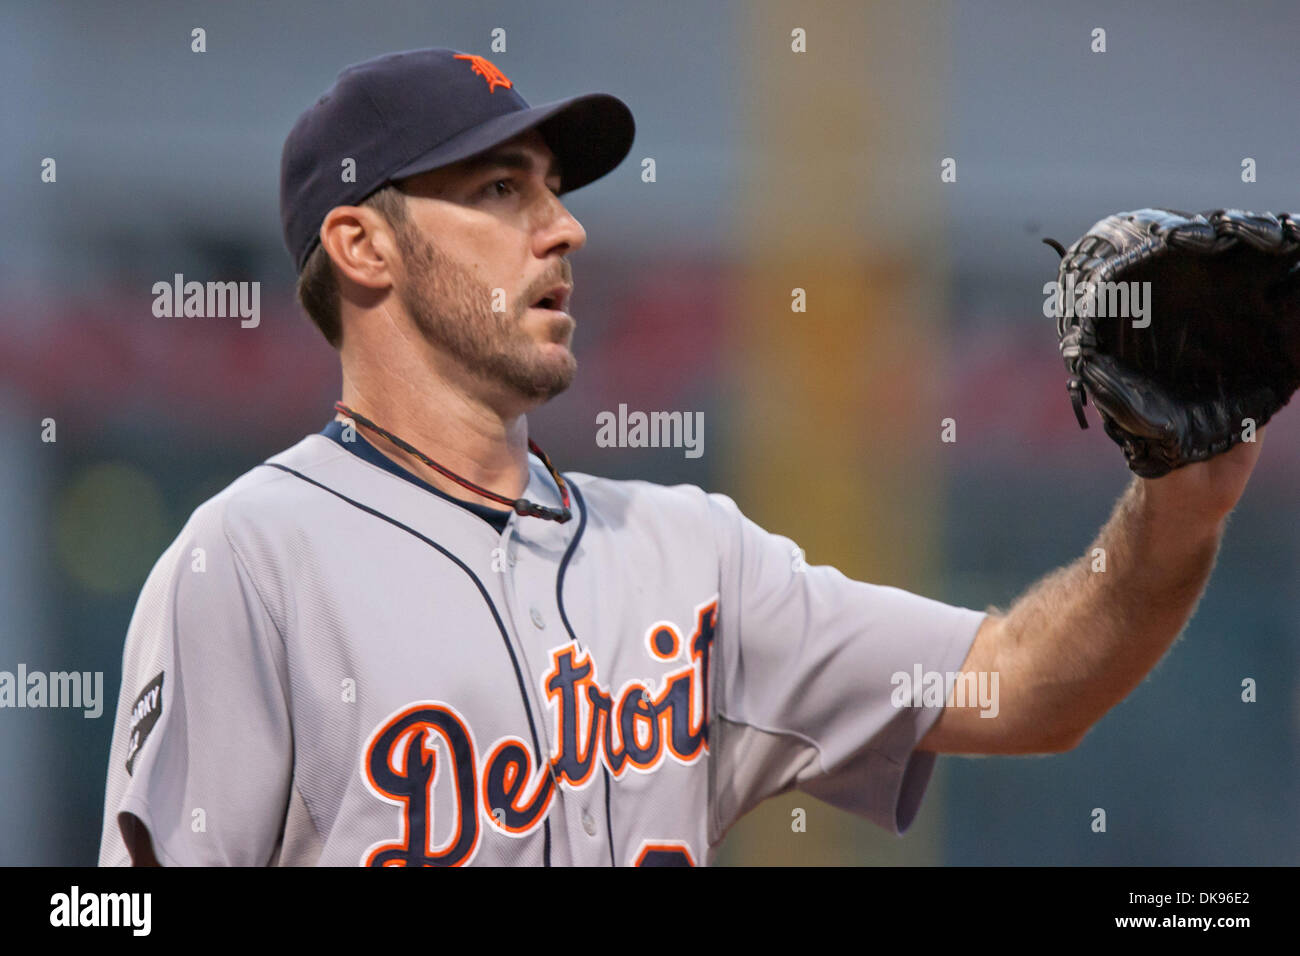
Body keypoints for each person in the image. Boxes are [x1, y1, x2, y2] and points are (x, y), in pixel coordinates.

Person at [98, 48, 1264, 867]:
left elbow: (1025, 684)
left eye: (553, 188)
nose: (562, 226)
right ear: (361, 243)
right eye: (499, 189)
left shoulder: (685, 556)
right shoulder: (250, 563)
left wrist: (1182, 491)